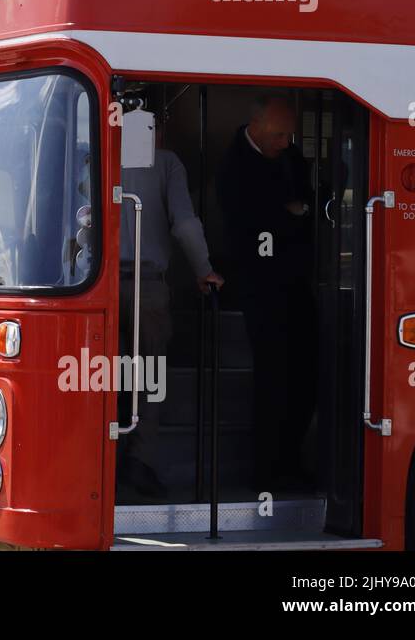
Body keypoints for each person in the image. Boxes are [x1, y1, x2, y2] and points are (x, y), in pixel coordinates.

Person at [216, 93, 318, 491]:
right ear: (255, 127)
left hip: (296, 280)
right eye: (278, 135)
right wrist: (287, 213)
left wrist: (293, 213)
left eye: (288, 136)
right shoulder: (232, 166)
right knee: (272, 378)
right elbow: (248, 221)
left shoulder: (290, 157)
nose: (284, 142)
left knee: (307, 376)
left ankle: (291, 459)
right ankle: (266, 469)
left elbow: (305, 203)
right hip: (257, 285)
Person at [117, 144, 223, 499]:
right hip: (148, 286)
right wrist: (204, 270)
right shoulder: (166, 162)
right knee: (150, 378)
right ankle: (139, 463)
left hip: (95, 285)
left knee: (99, 376)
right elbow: (185, 225)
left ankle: (105, 459)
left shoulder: (87, 147)